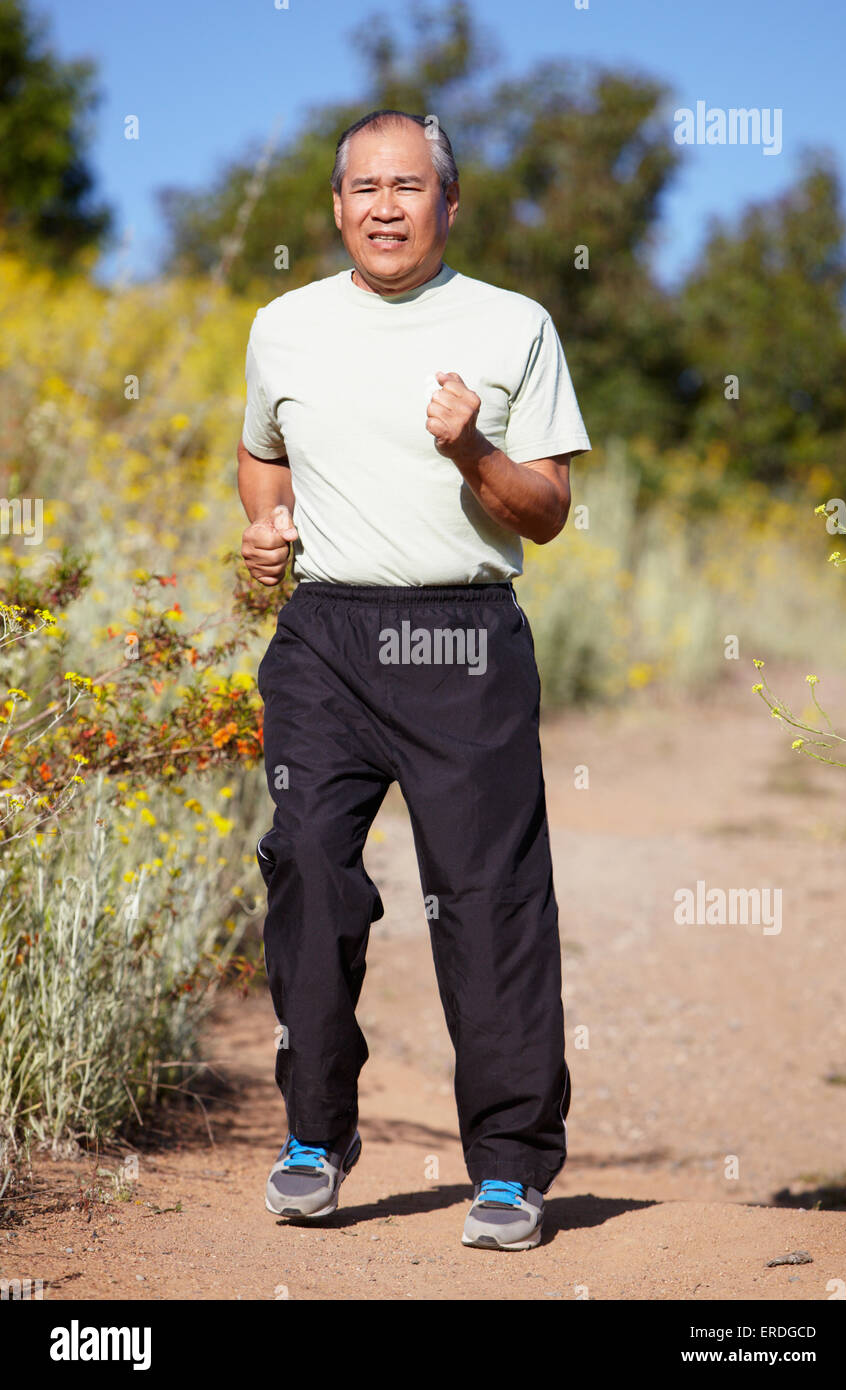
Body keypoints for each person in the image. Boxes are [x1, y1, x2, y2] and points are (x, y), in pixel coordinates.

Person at [238, 108, 591, 1251]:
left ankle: (506, 1166)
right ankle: (313, 1136)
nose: (383, 207)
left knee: (488, 900)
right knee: (302, 861)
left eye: (407, 186)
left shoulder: (511, 324)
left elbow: (543, 511)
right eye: (361, 188)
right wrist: (265, 527)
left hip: (462, 637)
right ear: (334, 206)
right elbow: (260, 451)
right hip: (325, 636)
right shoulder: (282, 326)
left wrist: (471, 449)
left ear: (450, 204)